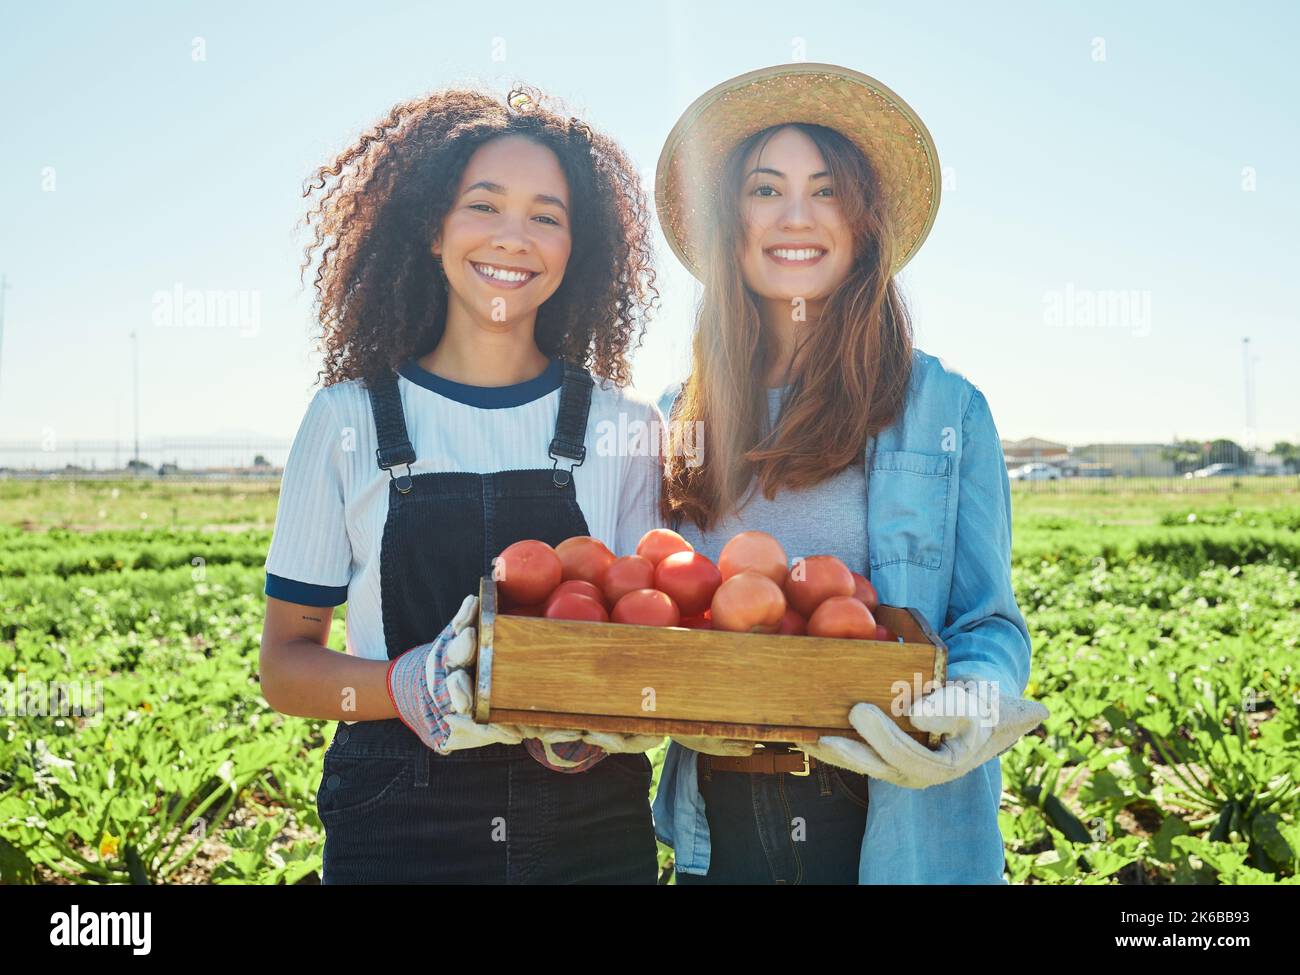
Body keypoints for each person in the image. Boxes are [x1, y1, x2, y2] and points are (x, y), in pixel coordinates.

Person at [649, 63, 1049, 884]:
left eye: (826, 191)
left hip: (889, 820)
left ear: (863, 224)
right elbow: (653, 611)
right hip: (717, 825)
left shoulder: (944, 408)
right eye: (766, 189)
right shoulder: (680, 411)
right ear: (733, 220)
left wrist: (972, 703)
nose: (796, 216)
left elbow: (989, 624)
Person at [259, 85, 665, 883]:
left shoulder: (627, 425)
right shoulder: (347, 421)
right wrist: (404, 685)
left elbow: (650, 642)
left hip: (587, 824)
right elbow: (286, 664)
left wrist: (614, 716)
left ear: (577, 247)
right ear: (431, 228)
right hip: (397, 819)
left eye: (547, 215)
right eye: (484, 205)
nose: (514, 238)